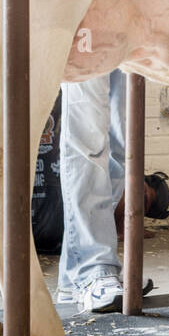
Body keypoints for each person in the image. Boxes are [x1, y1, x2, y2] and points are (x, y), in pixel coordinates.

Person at [55, 69, 130, 313]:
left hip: (129, 31)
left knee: (122, 145)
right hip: (81, 32)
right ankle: (93, 268)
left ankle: (71, 279)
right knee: (88, 142)